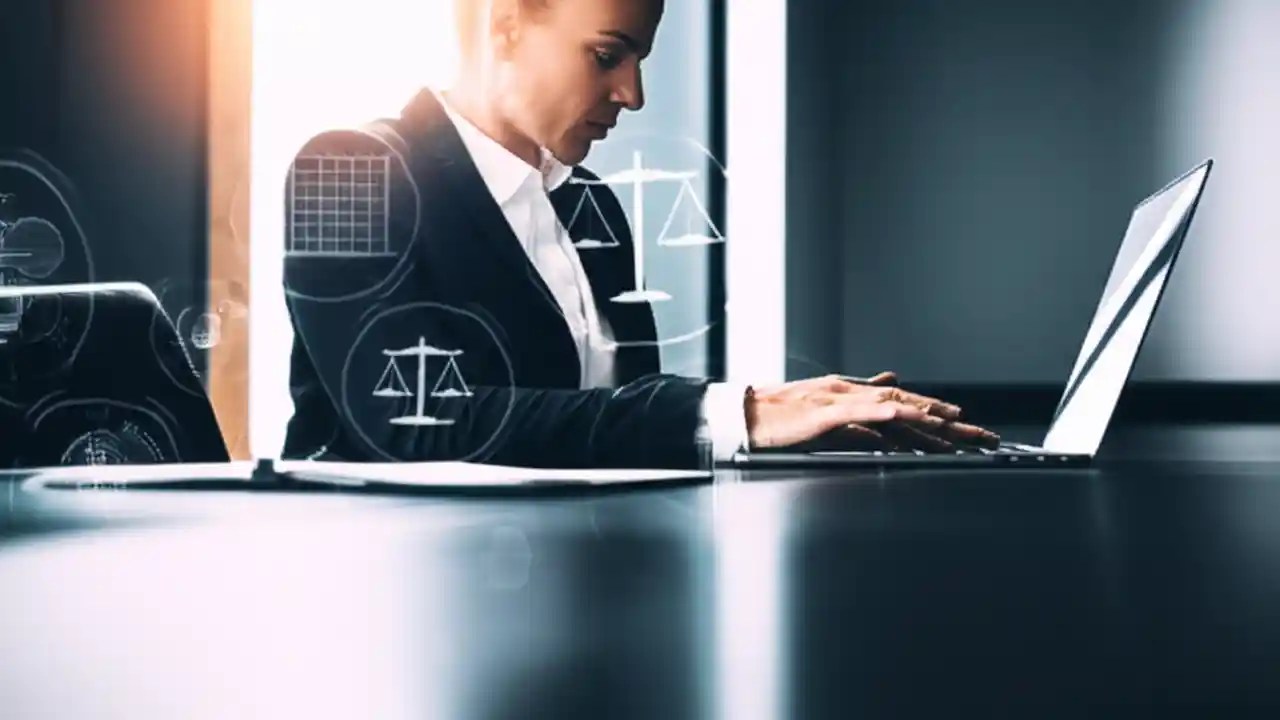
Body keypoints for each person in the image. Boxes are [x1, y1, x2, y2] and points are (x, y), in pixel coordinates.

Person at [280, 0, 1000, 468]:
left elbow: (617, 411)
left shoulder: (588, 203)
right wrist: (735, 412)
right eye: (606, 55)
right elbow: (412, 421)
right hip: (389, 599)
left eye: (641, 60)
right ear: (504, 24)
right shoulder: (347, 171)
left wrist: (792, 429)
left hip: (579, 571)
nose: (633, 93)